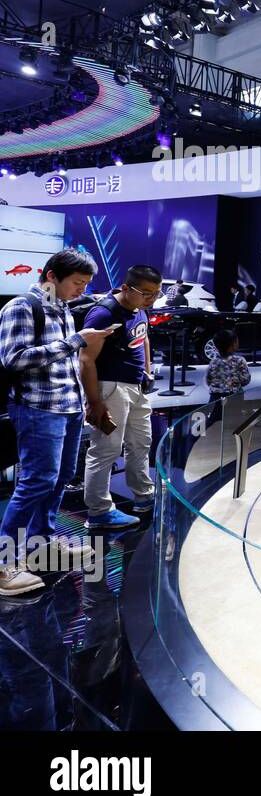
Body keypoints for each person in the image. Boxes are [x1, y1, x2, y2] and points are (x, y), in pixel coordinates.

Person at [0, 250, 117, 598]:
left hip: (67, 408)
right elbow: (13, 358)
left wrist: (83, 401)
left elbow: (64, 362)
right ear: (52, 276)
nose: (81, 290)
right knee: (36, 482)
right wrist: (77, 340)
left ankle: (40, 546)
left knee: (61, 478)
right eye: (77, 283)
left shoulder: (62, 309)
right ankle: (4, 562)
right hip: (38, 408)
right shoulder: (22, 307)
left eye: (85, 284)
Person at [81, 265, 163, 529]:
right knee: (106, 449)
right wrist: (94, 401)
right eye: (147, 294)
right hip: (111, 386)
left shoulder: (138, 308)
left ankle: (144, 496)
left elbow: (144, 338)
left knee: (141, 443)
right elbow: (85, 359)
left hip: (136, 386)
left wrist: (147, 372)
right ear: (126, 287)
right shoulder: (104, 313)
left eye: (156, 294)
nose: (151, 300)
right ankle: (99, 511)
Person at [206, 328, 251, 398]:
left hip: (215, 397)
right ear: (232, 345)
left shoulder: (213, 362)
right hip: (234, 396)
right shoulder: (239, 360)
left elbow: (208, 380)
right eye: (236, 341)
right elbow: (245, 380)